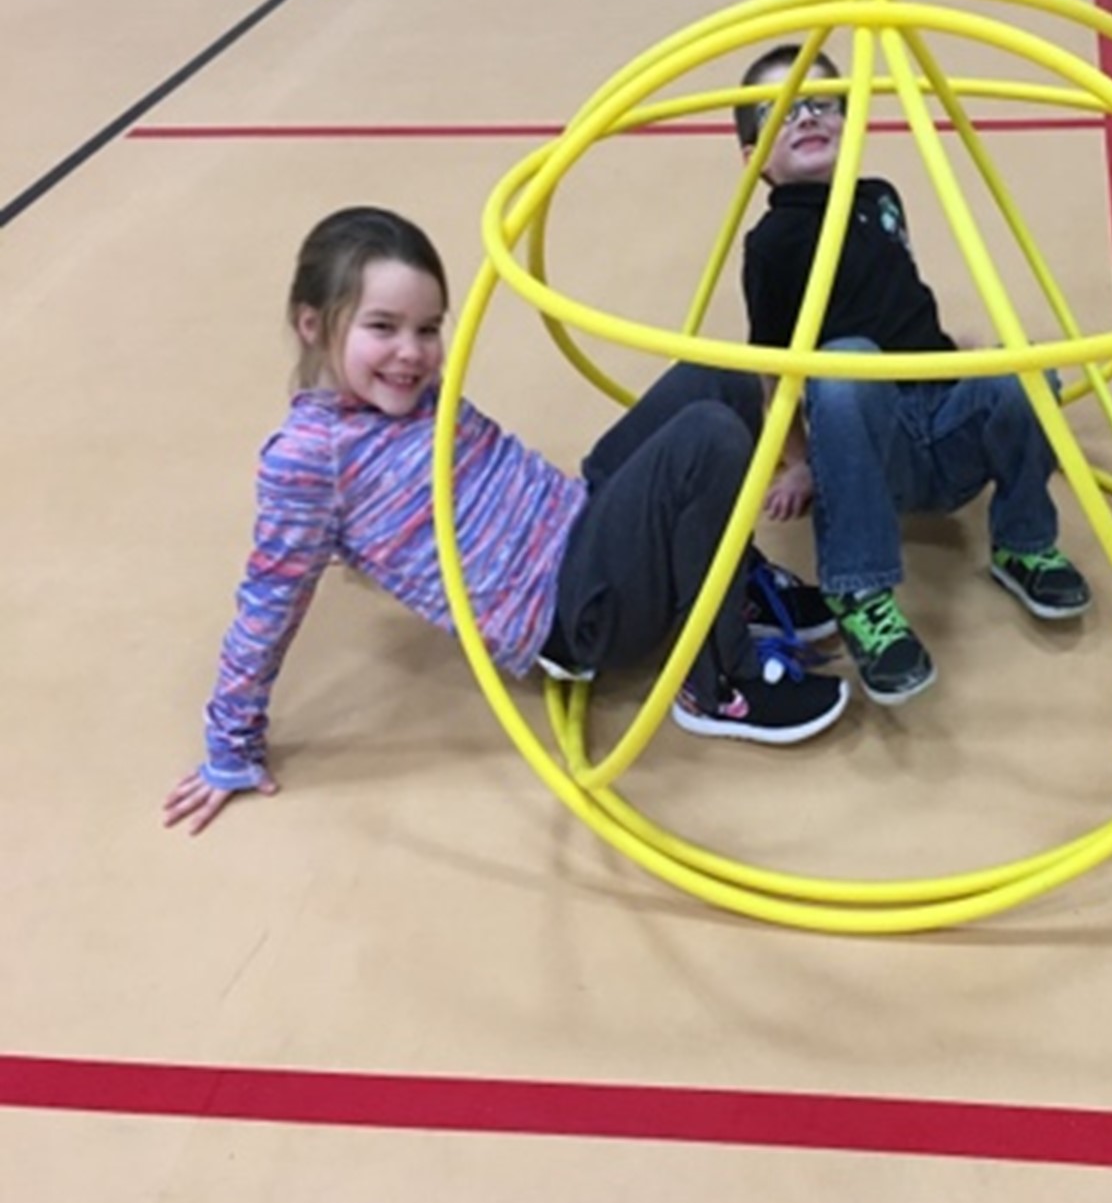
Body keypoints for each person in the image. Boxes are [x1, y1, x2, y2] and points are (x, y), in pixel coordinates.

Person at [164, 207, 848, 835]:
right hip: (575, 612)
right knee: (709, 437)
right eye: (382, 327)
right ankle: (716, 680)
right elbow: (269, 597)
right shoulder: (309, 459)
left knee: (717, 378)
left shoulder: (412, 392)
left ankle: (727, 575)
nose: (412, 352)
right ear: (312, 325)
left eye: (428, 329)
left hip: (579, 524)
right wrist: (230, 741)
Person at [733, 45, 1091, 707]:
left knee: (1026, 368)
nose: (805, 116)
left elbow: (898, 302)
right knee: (844, 363)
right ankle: (859, 589)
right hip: (871, 445)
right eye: (778, 111)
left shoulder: (881, 197)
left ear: (850, 116)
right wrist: (800, 462)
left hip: (943, 417)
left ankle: (1022, 542)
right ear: (751, 152)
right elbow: (773, 366)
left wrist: (969, 355)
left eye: (821, 102)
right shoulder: (772, 242)